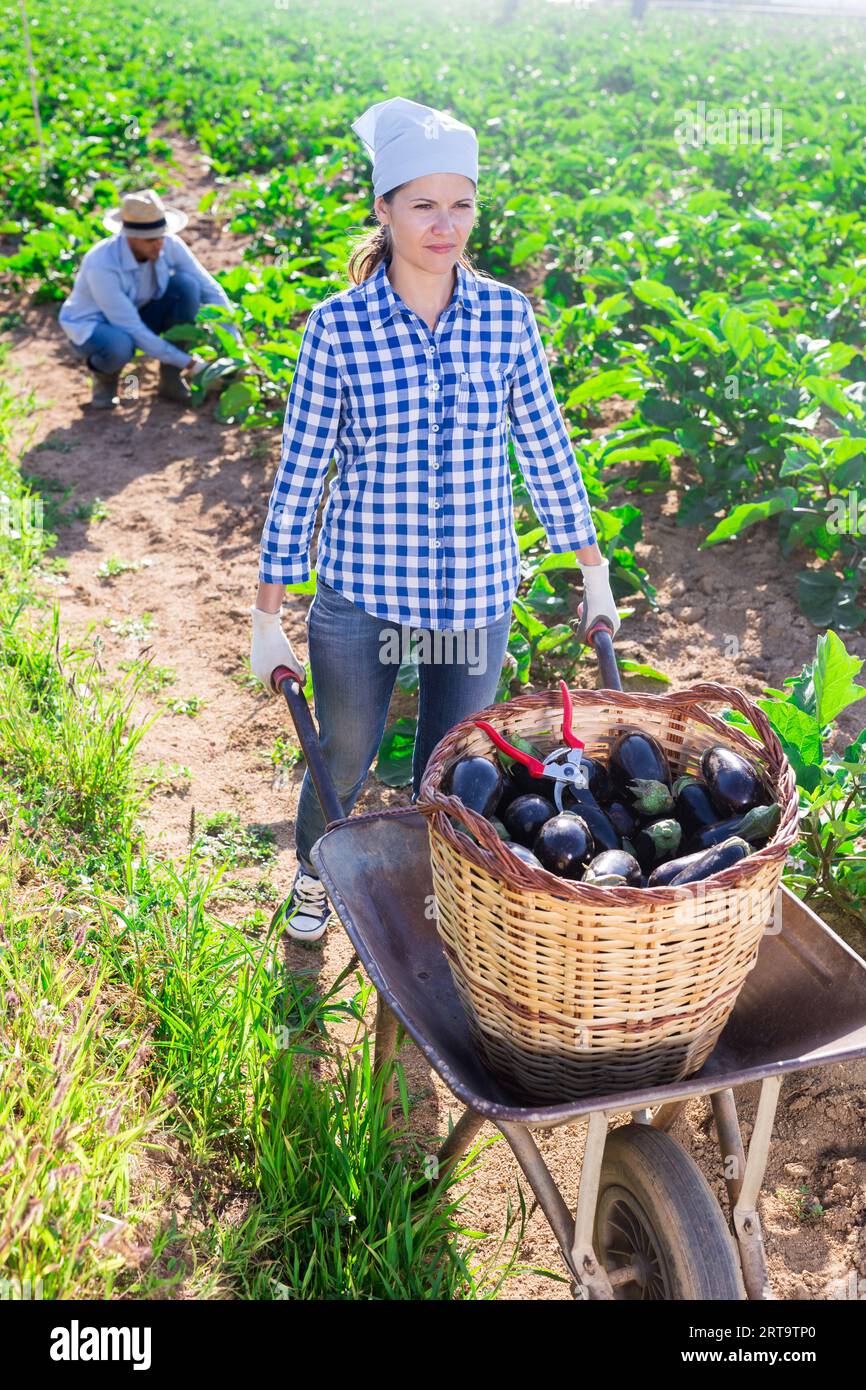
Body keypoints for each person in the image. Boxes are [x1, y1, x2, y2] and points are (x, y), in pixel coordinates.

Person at [250, 97, 620, 942]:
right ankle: (316, 879)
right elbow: (302, 474)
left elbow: (548, 452)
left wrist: (592, 571)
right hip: (364, 594)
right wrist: (266, 614)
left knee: (450, 768)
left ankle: (430, 901)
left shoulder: (506, 319)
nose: (444, 224)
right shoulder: (338, 328)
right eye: (423, 203)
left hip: (476, 595)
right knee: (342, 755)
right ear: (384, 210)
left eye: (461, 203)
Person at [58, 189, 236, 409]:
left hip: (138, 309)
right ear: (130, 238)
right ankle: (106, 380)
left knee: (187, 287)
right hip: (94, 326)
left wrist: (234, 344)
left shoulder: (168, 243)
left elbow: (209, 288)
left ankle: (170, 379)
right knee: (120, 345)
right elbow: (131, 328)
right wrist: (193, 365)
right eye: (151, 240)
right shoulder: (102, 264)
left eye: (161, 236)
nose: (159, 244)